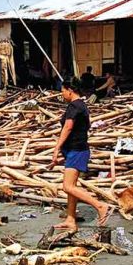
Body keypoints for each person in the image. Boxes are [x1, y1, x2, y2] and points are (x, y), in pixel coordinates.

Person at [51, 80, 111, 232]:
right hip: (77, 149)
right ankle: (71, 219)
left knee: (67, 186)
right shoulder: (82, 105)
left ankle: (100, 206)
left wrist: (57, 148)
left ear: (70, 90)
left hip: (77, 150)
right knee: (72, 187)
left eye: (62, 91)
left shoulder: (74, 106)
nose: (62, 94)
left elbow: (68, 126)